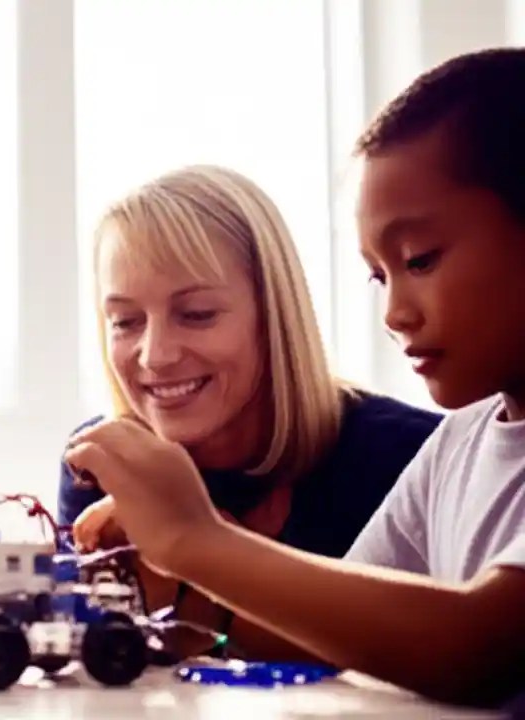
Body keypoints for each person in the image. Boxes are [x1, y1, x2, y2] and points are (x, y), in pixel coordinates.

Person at [64, 47, 525, 707]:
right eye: (378, 275)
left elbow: (479, 647)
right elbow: (348, 639)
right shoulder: (459, 444)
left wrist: (195, 541)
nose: (393, 313)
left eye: (419, 260)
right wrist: (175, 591)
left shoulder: (407, 443)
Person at [59, 164, 440, 660]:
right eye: (125, 321)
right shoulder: (102, 462)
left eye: (197, 314)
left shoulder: (411, 456)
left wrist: (196, 558)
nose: (155, 355)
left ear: (274, 316)